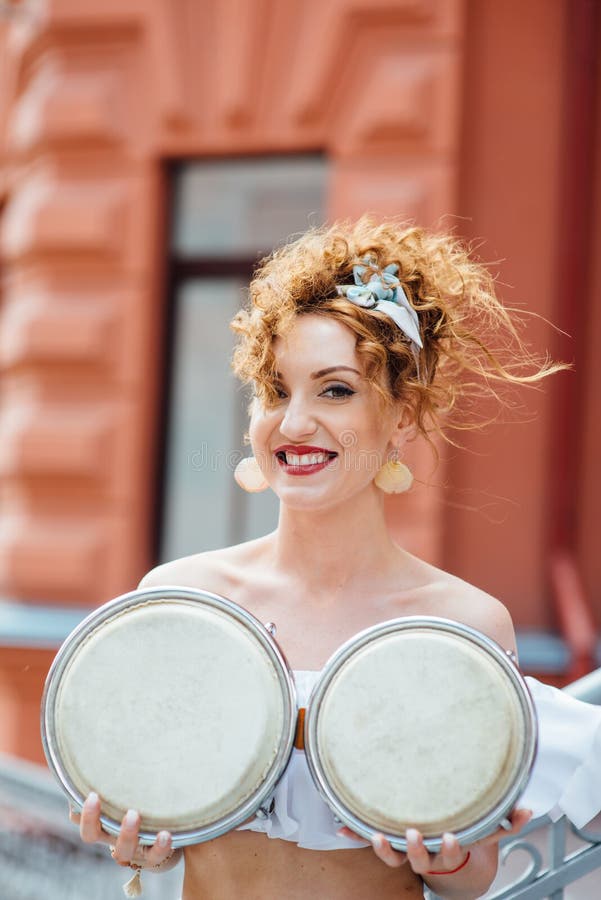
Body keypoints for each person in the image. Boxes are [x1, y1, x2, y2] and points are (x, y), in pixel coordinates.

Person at [69, 218, 600, 899]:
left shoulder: (460, 624)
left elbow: (477, 874)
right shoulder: (182, 600)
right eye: (275, 389)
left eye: (335, 390)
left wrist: (452, 864)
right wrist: (138, 845)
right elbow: (153, 842)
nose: (292, 424)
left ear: (402, 417)